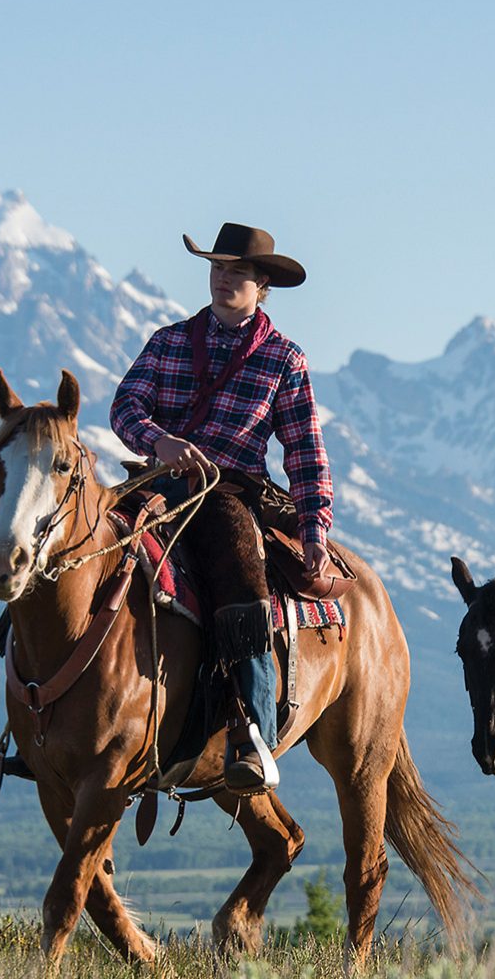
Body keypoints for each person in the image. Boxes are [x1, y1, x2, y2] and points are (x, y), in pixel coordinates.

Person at [110, 223, 331, 794]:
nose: (224, 277)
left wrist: (314, 527)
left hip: (226, 494)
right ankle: (37, 710)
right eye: (217, 267)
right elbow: (125, 406)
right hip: (155, 481)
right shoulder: (169, 341)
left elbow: (304, 450)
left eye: (238, 271)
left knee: (244, 586)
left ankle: (252, 733)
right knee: (76, 540)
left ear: (263, 286)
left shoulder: (284, 359)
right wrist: (157, 441)